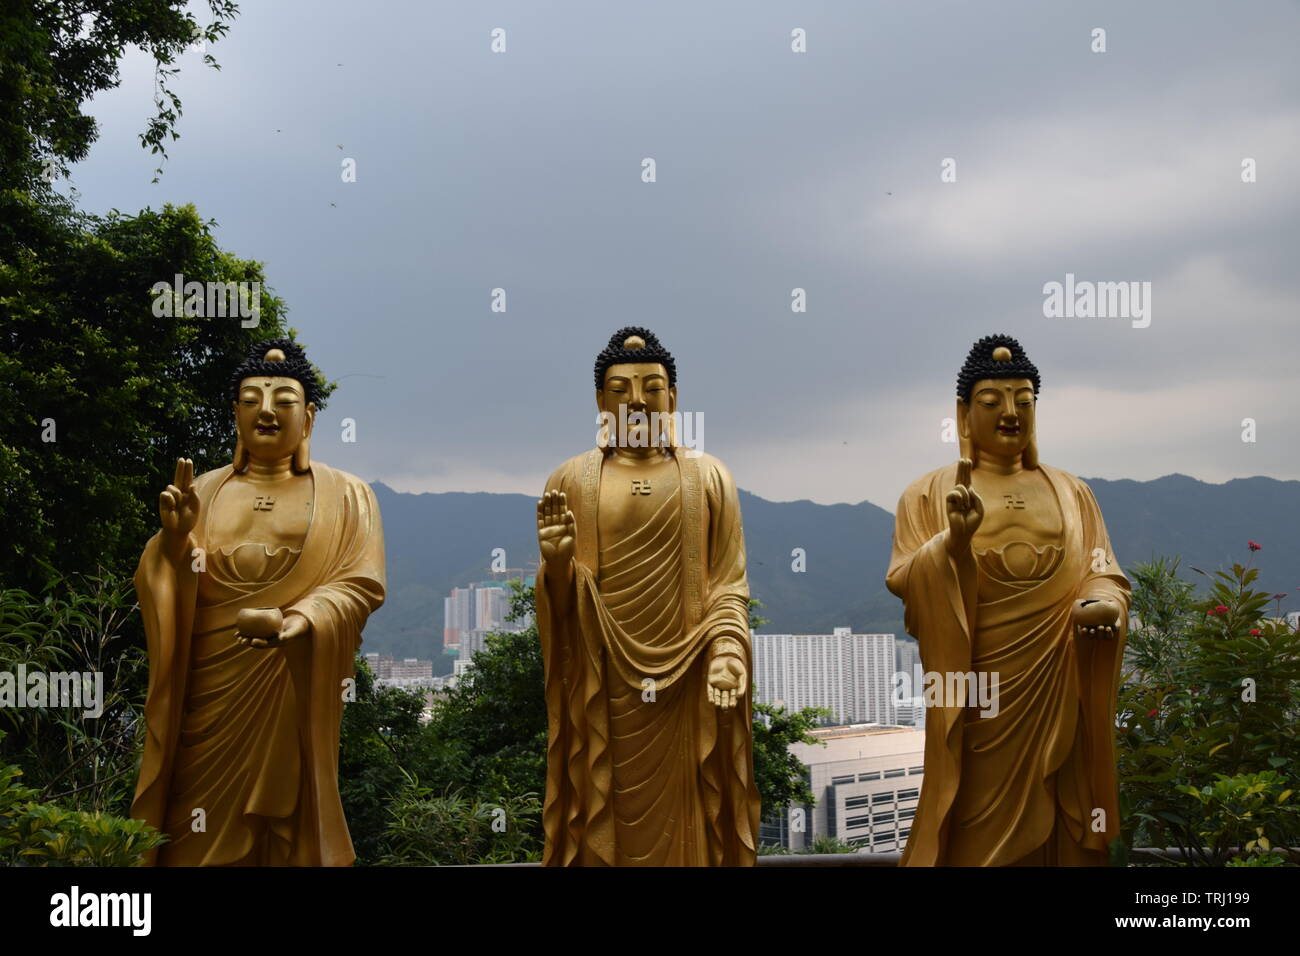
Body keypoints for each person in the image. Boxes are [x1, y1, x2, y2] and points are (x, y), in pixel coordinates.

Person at [132, 338, 385, 866]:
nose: (267, 412)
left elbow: (360, 584)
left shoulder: (348, 496)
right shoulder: (202, 490)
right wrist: (175, 544)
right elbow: (163, 580)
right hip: (208, 698)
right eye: (251, 399)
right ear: (235, 413)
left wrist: (302, 620)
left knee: (282, 829)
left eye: (284, 401)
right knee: (192, 828)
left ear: (309, 418)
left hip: (287, 685)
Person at [887, 333, 1129, 866]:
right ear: (963, 413)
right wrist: (951, 543)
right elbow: (905, 576)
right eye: (992, 402)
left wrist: (1104, 603)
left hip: (1059, 685)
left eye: (1024, 400)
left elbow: (1102, 571)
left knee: (1062, 816)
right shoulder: (927, 494)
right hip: (975, 692)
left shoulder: (1074, 492)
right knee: (971, 820)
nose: (1010, 413)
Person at [535, 326, 761, 865]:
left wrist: (727, 652)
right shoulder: (570, 479)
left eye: (652, 388)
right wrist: (559, 565)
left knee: (691, 829)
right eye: (620, 389)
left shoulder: (709, 477)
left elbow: (728, 585)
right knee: (598, 811)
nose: (636, 401)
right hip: (601, 688)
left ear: (673, 398)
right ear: (600, 402)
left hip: (686, 693)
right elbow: (560, 609)